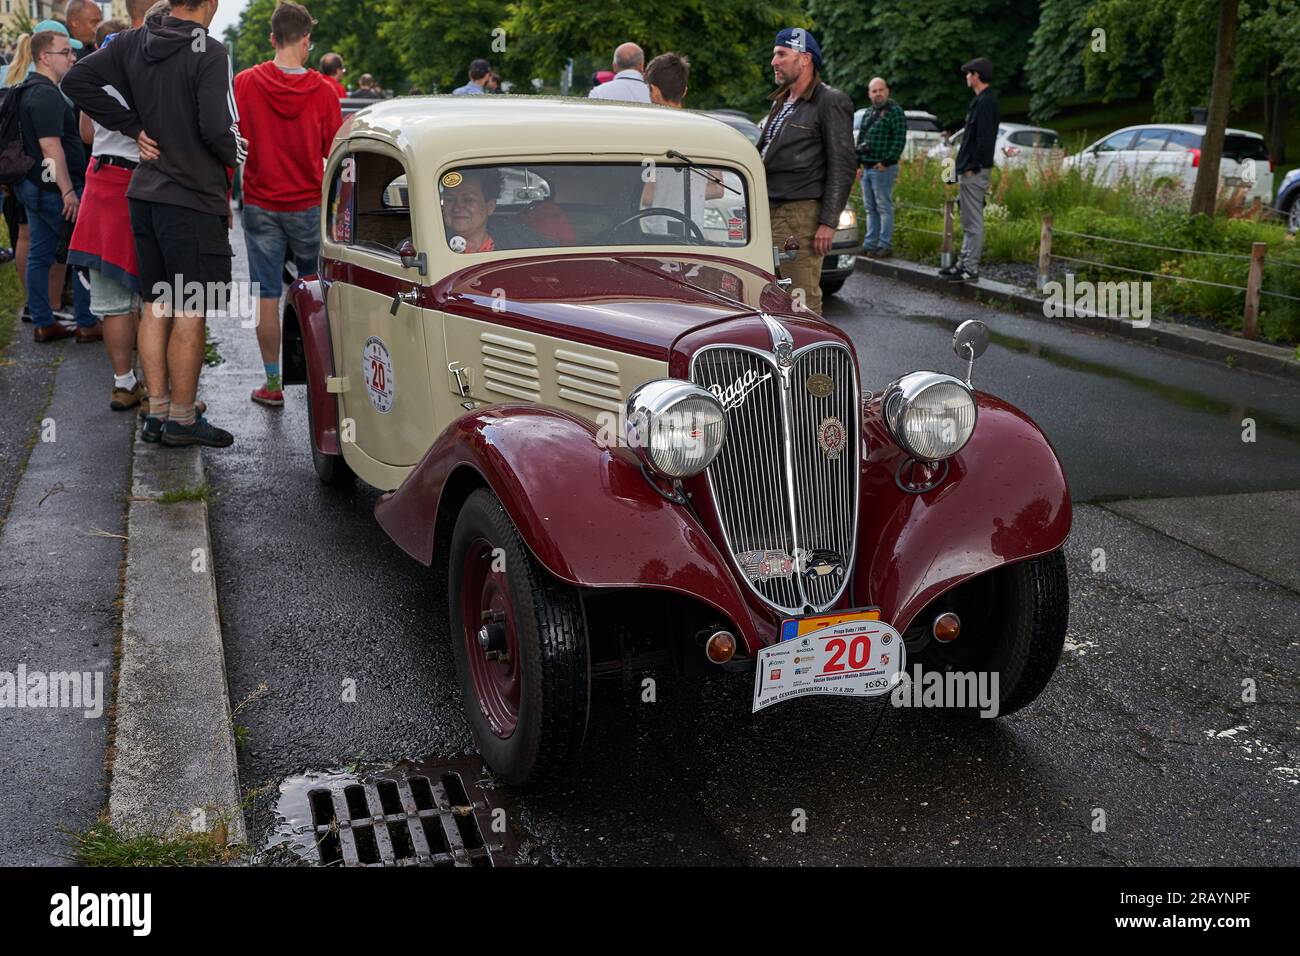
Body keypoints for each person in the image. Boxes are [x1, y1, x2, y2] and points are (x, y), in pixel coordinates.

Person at [64, 0, 245, 449]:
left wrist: (132, 127)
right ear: (210, 3)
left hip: (144, 195)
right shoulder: (212, 51)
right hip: (191, 197)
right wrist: (237, 156)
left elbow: (76, 79)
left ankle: (156, 412)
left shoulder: (132, 40)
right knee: (189, 307)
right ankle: (182, 419)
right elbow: (219, 127)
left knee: (155, 302)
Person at [234, 0, 341, 408]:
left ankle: (273, 383)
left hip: (261, 202)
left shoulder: (244, 83)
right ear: (307, 40)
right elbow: (333, 152)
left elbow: (234, 144)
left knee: (265, 293)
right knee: (318, 291)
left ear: (272, 38)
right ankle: (326, 381)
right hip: (308, 205)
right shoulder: (324, 91)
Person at [67, 8, 154, 410]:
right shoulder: (148, 70)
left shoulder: (95, 74)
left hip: (103, 182)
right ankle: (160, 388)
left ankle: (123, 383)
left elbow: (86, 133)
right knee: (157, 293)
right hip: (145, 180)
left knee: (112, 298)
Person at [758, 27, 855, 316]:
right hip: (769, 211)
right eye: (775, 55)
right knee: (770, 294)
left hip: (799, 215)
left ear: (805, 59)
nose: (774, 62)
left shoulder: (829, 101)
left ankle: (809, 360)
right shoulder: (782, 101)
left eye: (781, 54)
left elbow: (843, 163)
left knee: (800, 300)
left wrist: (828, 222)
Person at [14, 29, 96, 344]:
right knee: (80, 252)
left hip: (31, 184)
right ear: (45, 57)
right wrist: (67, 191)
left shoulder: (26, 88)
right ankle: (88, 323)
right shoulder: (46, 93)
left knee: (40, 252)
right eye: (65, 52)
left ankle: (43, 321)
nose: (73, 57)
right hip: (51, 189)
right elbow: (50, 147)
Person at [641, 52, 724, 237]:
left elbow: (646, 195)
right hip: (694, 231)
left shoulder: (649, 133)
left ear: (653, 90)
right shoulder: (706, 132)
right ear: (684, 90)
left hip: (655, 232)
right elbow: (718, 189)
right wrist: (689, 191)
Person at [943, 57, 999, 284]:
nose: (966, 77)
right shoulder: (981, 101)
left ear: (976, 75)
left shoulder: (986, 102)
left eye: (969, 73)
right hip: (969, 171)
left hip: (974, 172)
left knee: (973, 222)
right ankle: (962, 264)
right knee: (968, 220)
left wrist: (971, 167)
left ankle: (970, 268)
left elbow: (985, 139)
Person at [855, 76, 905, 259]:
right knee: (870, 208)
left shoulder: (895, 111)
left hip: (883, 168)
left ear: (887, 91)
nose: (877, 94)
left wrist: (887, 161)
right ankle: (870, 244)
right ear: (869, 94)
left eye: (880, 90)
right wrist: (856, 164)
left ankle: (885, 245)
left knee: (884, 207)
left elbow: (899, 139)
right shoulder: (868, 113)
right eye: (874, 91)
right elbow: (860, 139)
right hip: (866, 167)